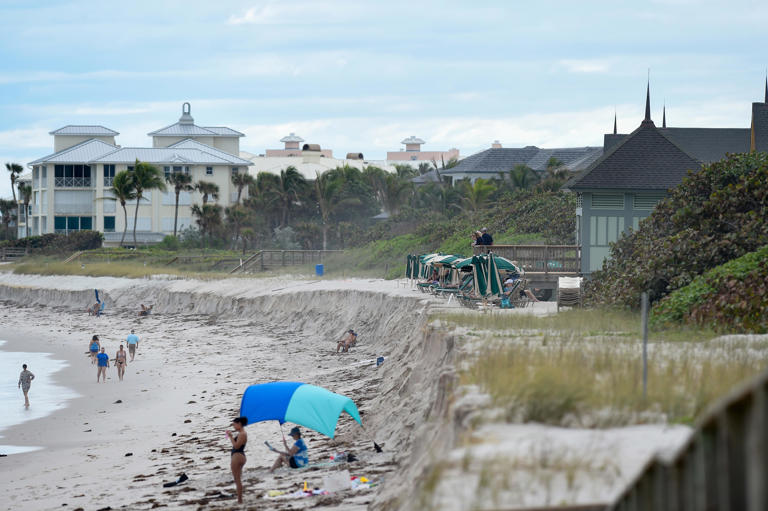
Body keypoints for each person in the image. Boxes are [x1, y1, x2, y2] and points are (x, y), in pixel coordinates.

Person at [226, 417, 248, 504]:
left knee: (237, 479)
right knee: (238, 479)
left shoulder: (242, 434)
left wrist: (231, 437)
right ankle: (240, 499)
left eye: (234, 424)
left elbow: (236, 446)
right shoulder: (242, 433)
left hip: (237, 456)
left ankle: (240, 500)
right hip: (240, 456)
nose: (234, 426)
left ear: (239, 424)